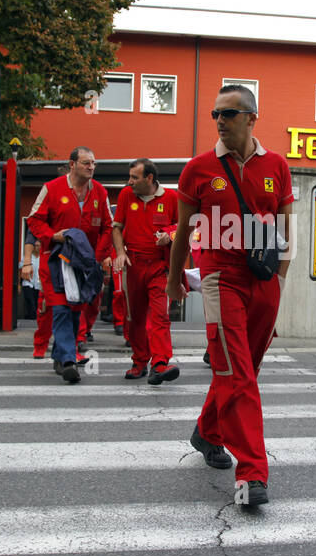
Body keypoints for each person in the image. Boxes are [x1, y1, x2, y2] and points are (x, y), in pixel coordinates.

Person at [169, 84, 292, 506]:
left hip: (264, 280)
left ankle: (207, 432)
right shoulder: (198, 168)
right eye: (215, 114)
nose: (220, 120)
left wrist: (282, 277)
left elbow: (284, 225)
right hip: (221, 278)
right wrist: (173, 282)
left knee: (243, 371)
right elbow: (184, 232)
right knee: (237, 373)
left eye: (230, 114)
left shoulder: (277, 164)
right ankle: (253, 474)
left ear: (251, 118)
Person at [27, 146, 112, 383]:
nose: (91, 167)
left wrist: (96, 257)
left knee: (76, 311)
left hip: (84, 265)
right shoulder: (52, 189)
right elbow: (34, 220)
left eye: (93, 163)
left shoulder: (101, 193)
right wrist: (53, 236)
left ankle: (60, 354)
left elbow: (108, 227)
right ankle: (67, 361)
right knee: (61, 308)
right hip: (55, 261)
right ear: (72, 164)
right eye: (86, 162)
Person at [112, 158, 180, 383]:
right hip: (133, 265)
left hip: (159, 266)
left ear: (149, 178)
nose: (129, 181)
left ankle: (160, 363)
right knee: (134, 316)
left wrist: (168, 234)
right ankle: (139, 361)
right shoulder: (125, 196)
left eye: (134, 177)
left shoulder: (171, 198)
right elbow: (117, 229)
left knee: (160, 315)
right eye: (130, 176)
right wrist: (120, 253)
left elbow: (183, 227)